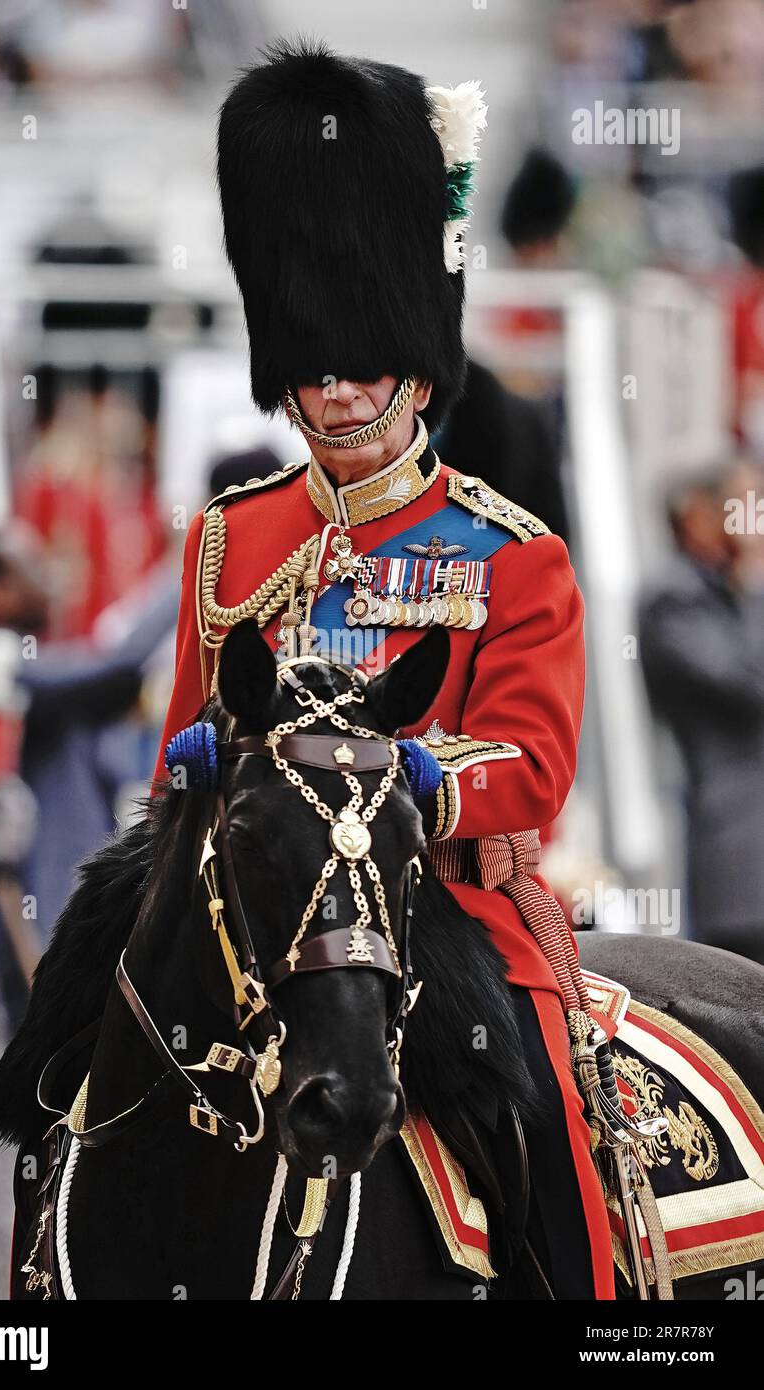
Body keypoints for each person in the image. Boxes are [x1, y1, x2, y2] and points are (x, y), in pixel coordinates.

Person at [153, 39, 614, 1298]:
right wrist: (196, 767)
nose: (342, 392)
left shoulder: (509, 554)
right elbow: (183, 745)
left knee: (538, 1092)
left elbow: (534, 766)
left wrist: (409, 776)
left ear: (421, 362)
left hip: (450, 905)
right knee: (75, 1041)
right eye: (314, 368)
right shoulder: (230, 535)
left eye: (367, 365)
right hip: (255, 906)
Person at [0, 528, 179, 943]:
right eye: (30, 566)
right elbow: (120, 662)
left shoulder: (18, 663)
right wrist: (196, 562)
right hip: (52, 909)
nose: (48, 576)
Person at [640, 463, 764, 966]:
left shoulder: (730, 595)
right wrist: (755, 577)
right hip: (742, 863)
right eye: (743, 505)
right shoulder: (676, 601)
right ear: (697, 516)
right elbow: (751, 683)